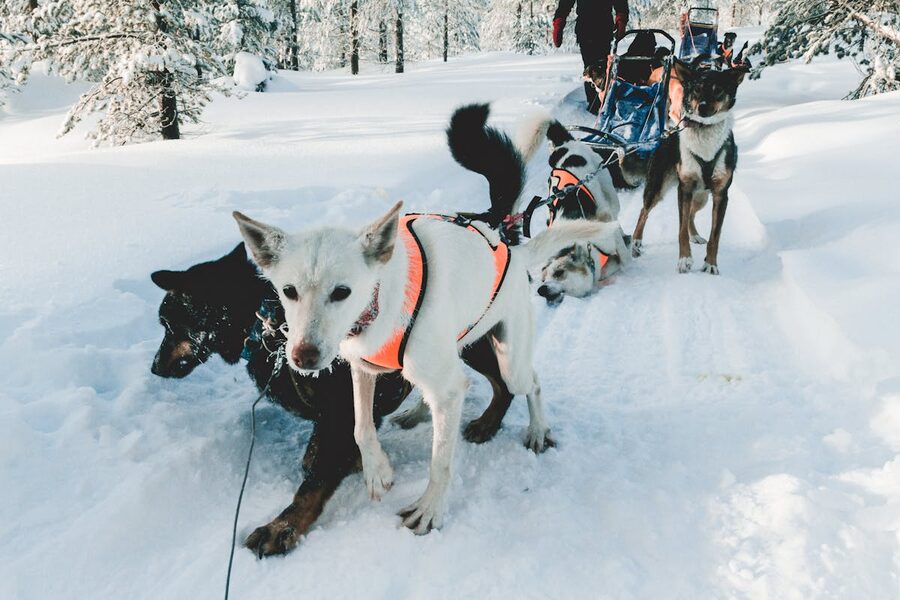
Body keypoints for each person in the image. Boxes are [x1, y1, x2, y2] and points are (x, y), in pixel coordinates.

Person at [553, 0, 630, 114]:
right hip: (586, 28)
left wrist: (621, 17)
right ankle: (595, 105)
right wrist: (559, 21)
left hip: (602, 28)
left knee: (602, 67)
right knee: (590, 67)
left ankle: (603, 103)